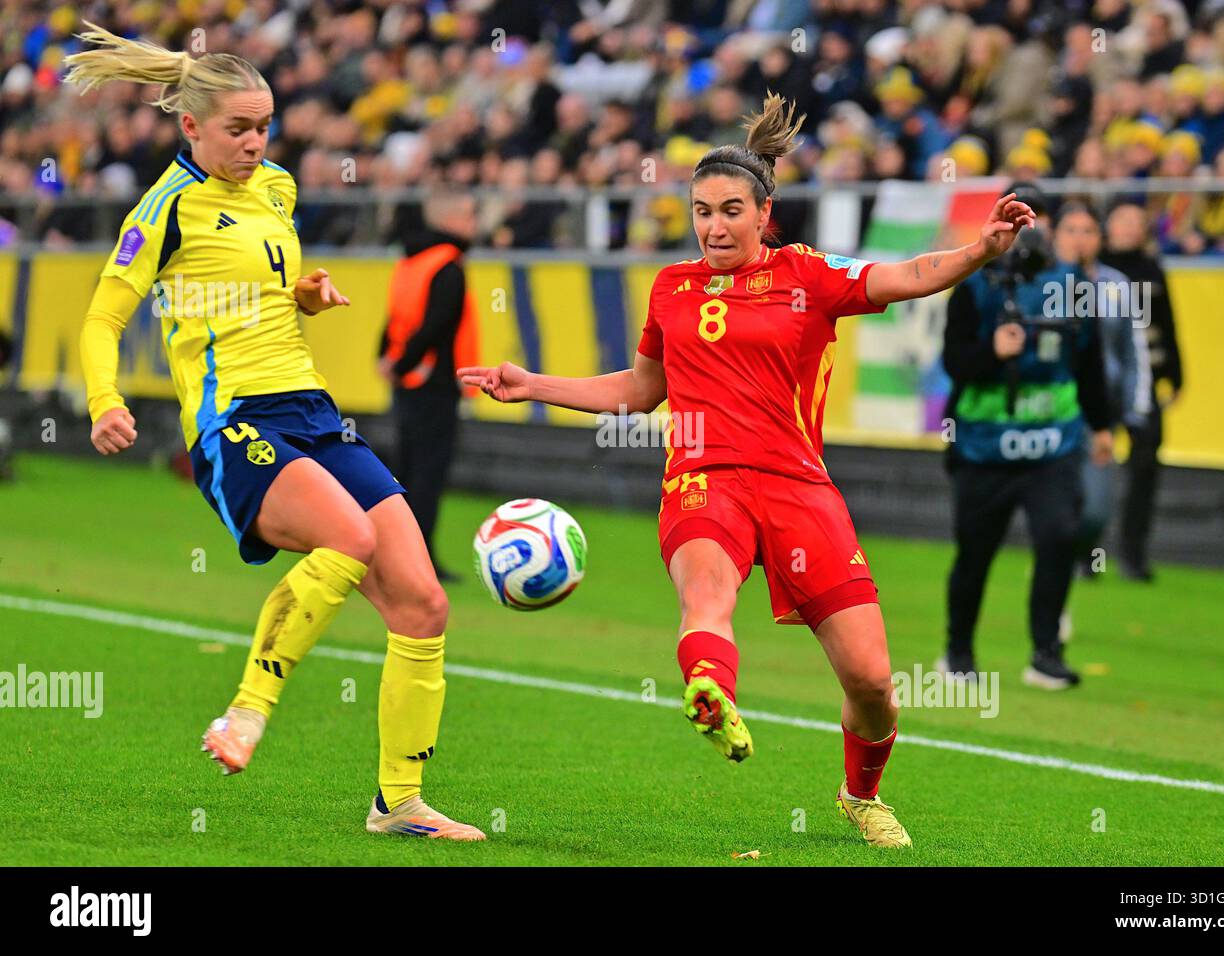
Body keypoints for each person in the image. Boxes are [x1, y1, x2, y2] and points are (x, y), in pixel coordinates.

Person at [459, 93, 1036, 848]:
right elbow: (639, 390)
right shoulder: (672, 288)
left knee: (871, 683)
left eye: (730, 210)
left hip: (799, 486)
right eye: (701, 211)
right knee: (706, 599)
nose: (713, 227)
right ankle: (710, 693)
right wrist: (534, 384)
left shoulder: (810, 276)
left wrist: (980, 250)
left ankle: (861, 795)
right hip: (703, 479)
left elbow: (910, 275)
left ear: (764, 213)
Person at [65, 22, 483, 841]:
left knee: (425, 602)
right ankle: (247, 712)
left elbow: (258, 291)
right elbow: (102, 317)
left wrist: (307, 297)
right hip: (235, 425)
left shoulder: (279, 189)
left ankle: (399, 803)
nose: (255, 143)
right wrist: (102, 400)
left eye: (264, 127)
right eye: (237, 130)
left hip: (314, 413)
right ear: (191, 126)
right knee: (349, 536)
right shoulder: (167, 208)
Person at [938, 183, 1115, 691]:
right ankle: (958, 651)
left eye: (1032, 221)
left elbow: (1090, 362)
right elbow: (953, 362)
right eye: (1013, 220)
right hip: (983, 447)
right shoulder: (972, 285)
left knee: (1059, 539)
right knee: (975, 552)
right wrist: (991, 350)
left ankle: (1046, 653)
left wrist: (1101, 426)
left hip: (1052, 446)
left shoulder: (1072, 285)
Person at [379, 190, 479, 582]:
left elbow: (395, 318)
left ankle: (395, 553)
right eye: (470, 215)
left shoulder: (410, 260)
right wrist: (403, 361)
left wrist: (389, 361)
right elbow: (435, 326)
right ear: (451, 220)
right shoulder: (448, 266)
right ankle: (419, 560)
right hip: (435, 386)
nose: (475, 225)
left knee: (404, 469)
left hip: (407, 384)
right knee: (428, 475)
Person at [1052, 201, 1150, 581]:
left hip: (1099, 416)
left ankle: (1077, 553)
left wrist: (1134, 408)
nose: (1079, 239)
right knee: (1055, 502)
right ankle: (1056, 562)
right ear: (1055, 235)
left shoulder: (1117, 286)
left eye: (1088, 231)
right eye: (1070, 230)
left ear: (1101, 238)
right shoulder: (1044, 283)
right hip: (1053, 410)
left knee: (1096, 509)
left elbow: (1132, 351)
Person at [1100, 201, 1183, 581]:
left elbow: (1167, 325)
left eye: (1138, 222)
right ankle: (1087, 552)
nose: (1132, 228)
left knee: (1145, 468)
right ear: (1110, 227)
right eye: (1124, 221)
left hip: (1146, 384)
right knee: (1094, 466)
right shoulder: (1094, 269)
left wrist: (1175, 374)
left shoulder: (1152, 270)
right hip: (1102, 383)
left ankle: (1133, 554)